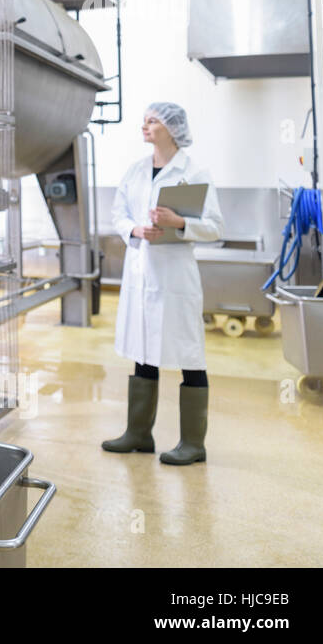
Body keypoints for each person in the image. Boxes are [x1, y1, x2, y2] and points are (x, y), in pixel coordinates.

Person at [102, 102, 224, 465]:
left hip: (175, 277)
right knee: (143, 350)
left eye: (152, 121)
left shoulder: (194, 172)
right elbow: (118, 213)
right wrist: (136, 229)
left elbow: (216, 227)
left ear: (171, 129)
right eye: (145, 121)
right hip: (142, 272)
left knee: (189, 354)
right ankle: (138, 433)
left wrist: (178, 222)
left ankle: (193, 443)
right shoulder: (136, 170)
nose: (145, 126)